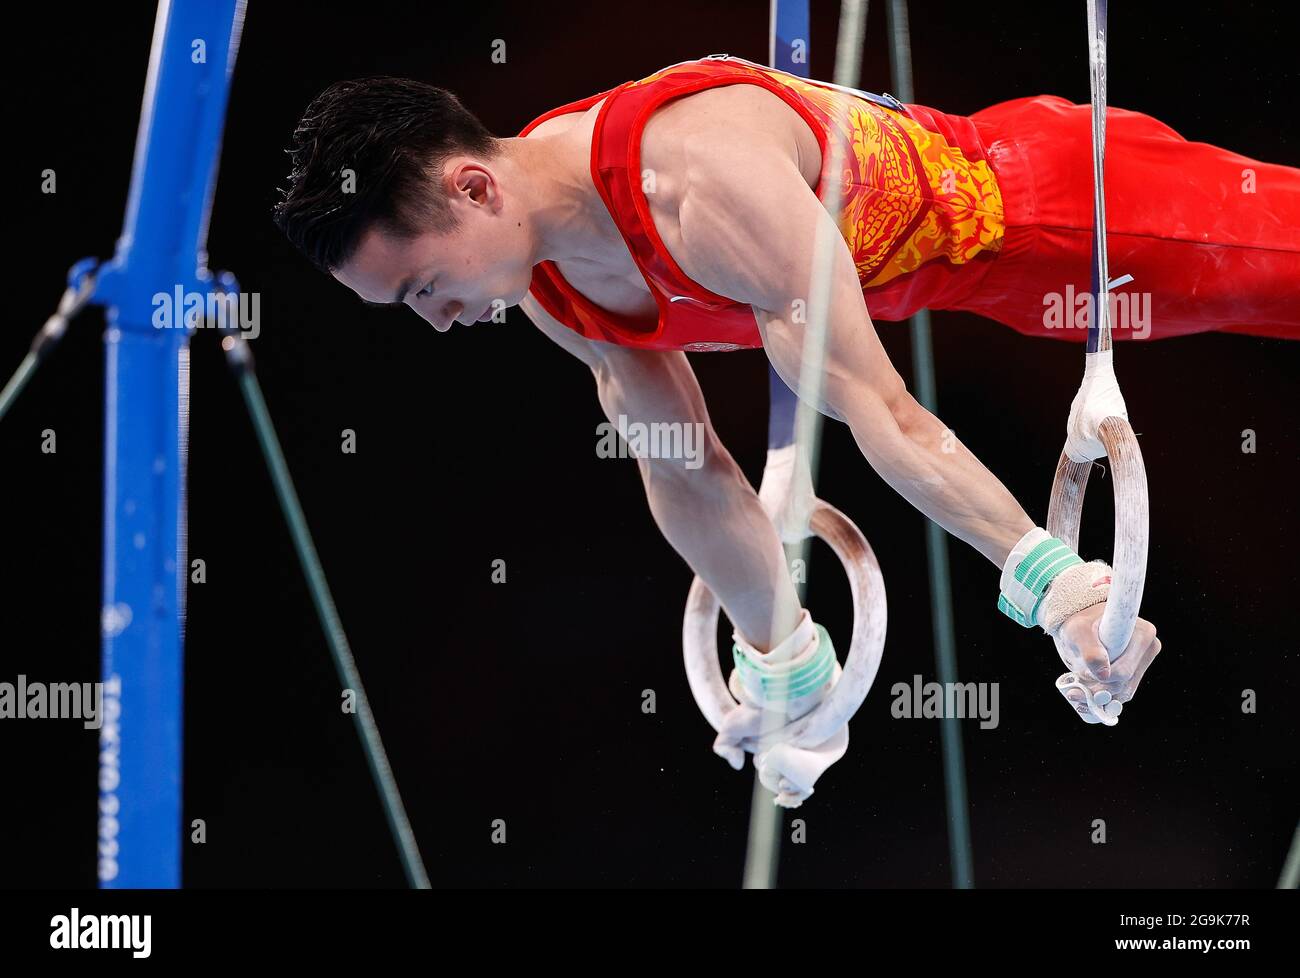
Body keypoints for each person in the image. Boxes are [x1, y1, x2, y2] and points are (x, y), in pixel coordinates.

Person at [273, 54, 1293, 731]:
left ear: (473, 187)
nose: (436, 319)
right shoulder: (548, 280)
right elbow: (688, 471)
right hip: (1000, 293)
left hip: (1064, 213)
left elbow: (878, 408)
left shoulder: (696, 178)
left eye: (424, 285)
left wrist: (1052, 582)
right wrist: (782, 663)